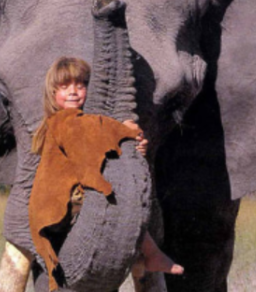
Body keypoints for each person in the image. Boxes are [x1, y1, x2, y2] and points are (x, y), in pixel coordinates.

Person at [31, 57, 183, 279]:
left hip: (63, 205)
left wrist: (132, 151)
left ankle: (145, 253)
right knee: (122, 197)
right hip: (64, 205)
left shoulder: (72, 121)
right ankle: (151, 254)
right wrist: (123, 130)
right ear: (52, 93)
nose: (73, 92)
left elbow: (94, 151)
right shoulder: (64, 121)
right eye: (64, 87)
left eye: (80, 85)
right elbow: (94, 135)